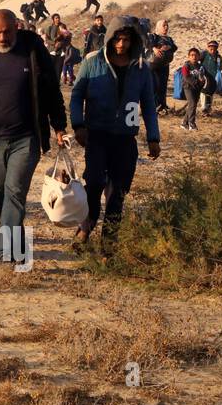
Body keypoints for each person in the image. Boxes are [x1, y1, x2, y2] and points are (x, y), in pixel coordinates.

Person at [0, 8, 67, 263]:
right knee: (2, 196)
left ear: (16, 27)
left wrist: (59, 126)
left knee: (15, 191)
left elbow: (51, 90)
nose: (2, 37)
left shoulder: (33, 50)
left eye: (7, 31)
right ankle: (18, 250)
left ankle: (4, 250)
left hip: (26, 137)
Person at [69, 18, 161, 247]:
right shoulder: (92, 62)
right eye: (117, 39)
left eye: (126, 40)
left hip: (125, 138)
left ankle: (109, 242)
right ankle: (85, 228)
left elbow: (148, 105)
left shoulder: (141, 68)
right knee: (94, 183)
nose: (121, 44)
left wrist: (153, 138)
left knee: (117, 192)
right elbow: (77, 95)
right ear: (110, 37)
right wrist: (78, 125)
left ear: (133, 41)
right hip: (97, 135)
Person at [146, 19, 177, 113]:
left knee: (163, 86)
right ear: (158, 27)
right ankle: (154, 106)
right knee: (154, 85)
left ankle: (162, 105)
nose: (166, 27)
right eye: (164, 25)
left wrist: (169, 47)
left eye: (167, 25)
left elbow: (175, 47)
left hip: (164, 65)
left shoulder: (169, 39)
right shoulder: (153, 36)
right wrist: (154, 48)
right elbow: (147, 43)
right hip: (153, 66)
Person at [179, 48, 208, 131]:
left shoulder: (200, 67)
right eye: (192, 55)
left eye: (196, 55)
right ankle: (192, 123)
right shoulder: (186, 66)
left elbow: (202, 77)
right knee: (192, 103)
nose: (194, 57)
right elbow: (186, 77)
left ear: (199, 57)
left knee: (193, 105)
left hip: (197, 88)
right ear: (188, 57)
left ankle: (184, 123)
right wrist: (196, 82)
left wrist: (202, 82)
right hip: (188, 87)